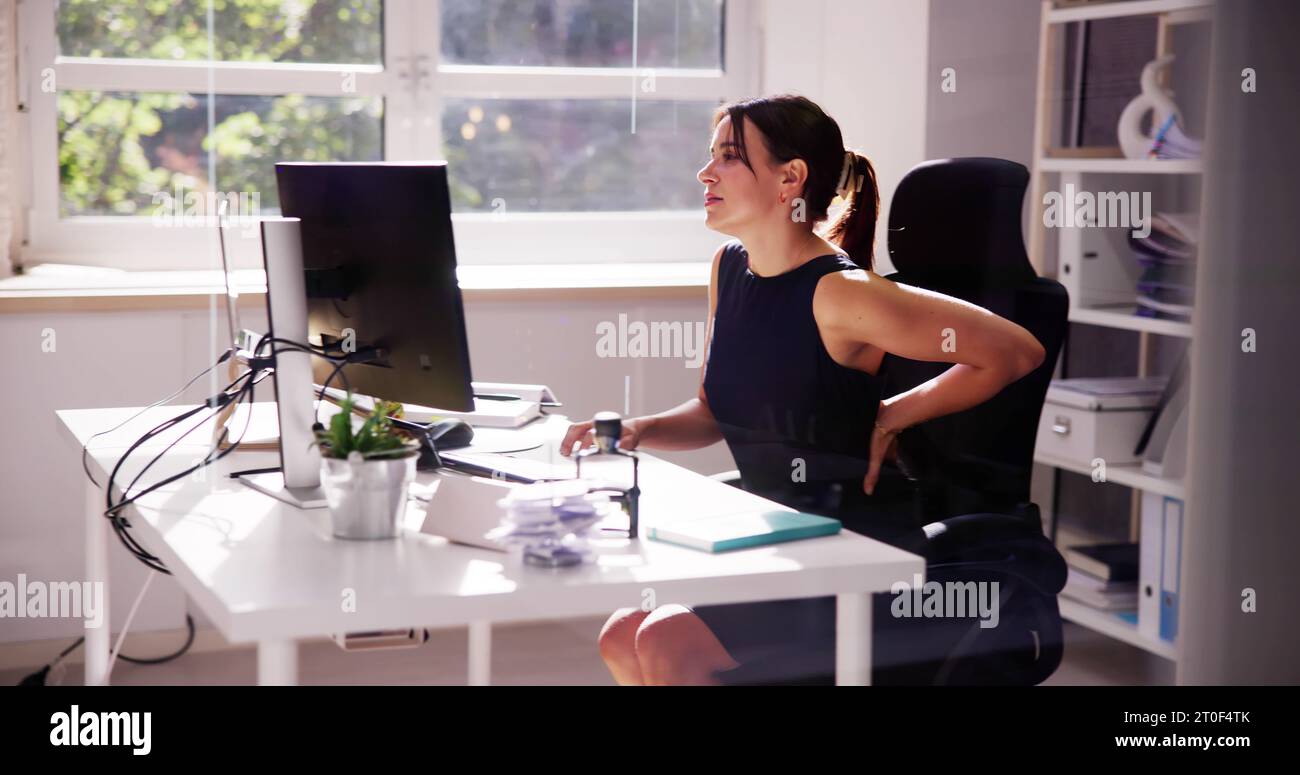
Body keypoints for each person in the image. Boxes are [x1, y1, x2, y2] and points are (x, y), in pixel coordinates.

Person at [559, 94, 1046, 686]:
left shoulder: (841, 293)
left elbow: (1017, 352)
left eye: (730, 158)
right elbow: (715, 409)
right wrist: (643, 429)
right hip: (775, 530)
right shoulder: (729, 268)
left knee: (665, 642)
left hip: (854, 550)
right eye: (710, 155)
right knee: (620, 634)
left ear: (790, 178)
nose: (705, 172)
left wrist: (893, 415)